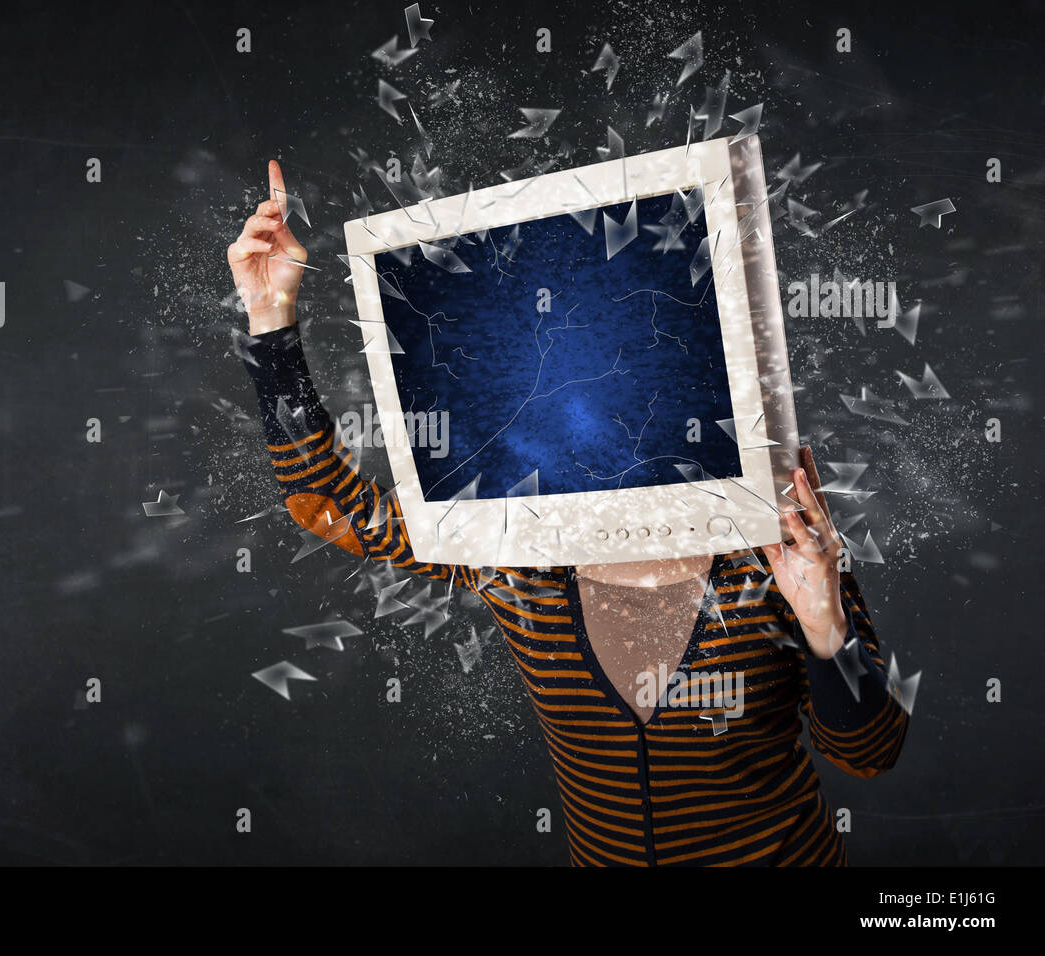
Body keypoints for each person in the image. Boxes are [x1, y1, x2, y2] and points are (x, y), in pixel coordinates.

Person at [227, 160, 910, 866]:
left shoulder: (772, 547)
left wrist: (824, 624)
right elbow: (327, 505)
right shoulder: (509, 551)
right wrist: (270, 318)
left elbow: (870, 753)